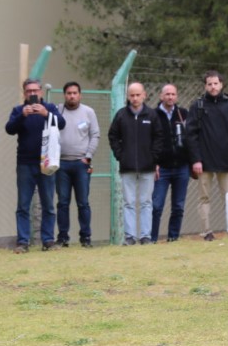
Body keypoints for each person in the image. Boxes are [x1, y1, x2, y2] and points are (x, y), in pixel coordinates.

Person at [5, 79, 65, 252]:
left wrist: (45, 114)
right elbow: (9, 129)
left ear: (40, 92)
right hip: (25, 163)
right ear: (24, 93)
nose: (32, 94)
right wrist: (22, 116)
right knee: (23, 205)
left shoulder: (50, 108)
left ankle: (48, 240)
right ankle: (23, 242)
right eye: (28, 91)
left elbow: (62, 124)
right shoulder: (18, 110)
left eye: (35, 90)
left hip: (46, 162)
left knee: (48, 204)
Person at [186, 71, 228, 240]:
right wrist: (195, 159)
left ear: (221, 85)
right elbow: (191, 135)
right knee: (204, 197)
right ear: (205, 86)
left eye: (216, 83)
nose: (213, 87)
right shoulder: (197, 106)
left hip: (226, 160)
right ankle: (207, 232)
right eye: (209, 84)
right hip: (203, 161)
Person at [108, 82, 164, 244]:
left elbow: (159, 138)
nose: (135, 98)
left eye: (138, 95)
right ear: (128, 96)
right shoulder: (121, 115)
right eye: (132, 95)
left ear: (144, 95)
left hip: (148, 167)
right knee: (129, 202)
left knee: (146, 202)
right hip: (127, 167)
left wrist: (154, 158)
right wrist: (120, 155)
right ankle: (130, 236)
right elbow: (113, 136)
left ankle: (146, 236)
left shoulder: (152, 115)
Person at [57, 81, 100, 247]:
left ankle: (86, 237)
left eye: (75, 93)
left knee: (83, 202)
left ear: (80, 95)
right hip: (61, 164)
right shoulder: (58, 110)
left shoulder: (88, 112)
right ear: (64, 95)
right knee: (62, 203)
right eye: (68, 93)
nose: (72, 96)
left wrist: (88, 157)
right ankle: (62, 237)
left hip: (81, 164)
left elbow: (95, 135)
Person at [152, 84, 192, 242]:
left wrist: (192, 161)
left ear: (176, 96)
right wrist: (153, 163)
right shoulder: (153, 115)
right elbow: (150, 142)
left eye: (173, 94)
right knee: (156, 206)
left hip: (182, 167)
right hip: (161, 169)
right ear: (161, 96)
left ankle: (173, 237)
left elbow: (190, 139)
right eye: (167, 94)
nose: (170, 97)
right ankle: (152, 238)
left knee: (178, 206)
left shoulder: (183, 114)